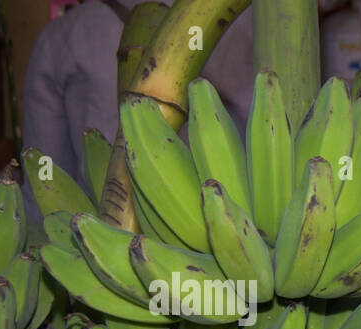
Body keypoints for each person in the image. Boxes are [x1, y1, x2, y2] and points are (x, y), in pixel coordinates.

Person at [20, 0, 254, 217]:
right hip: (232, 227)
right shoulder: (247, 17)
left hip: (105, 236)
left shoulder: (64, 37)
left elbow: (45, 184)